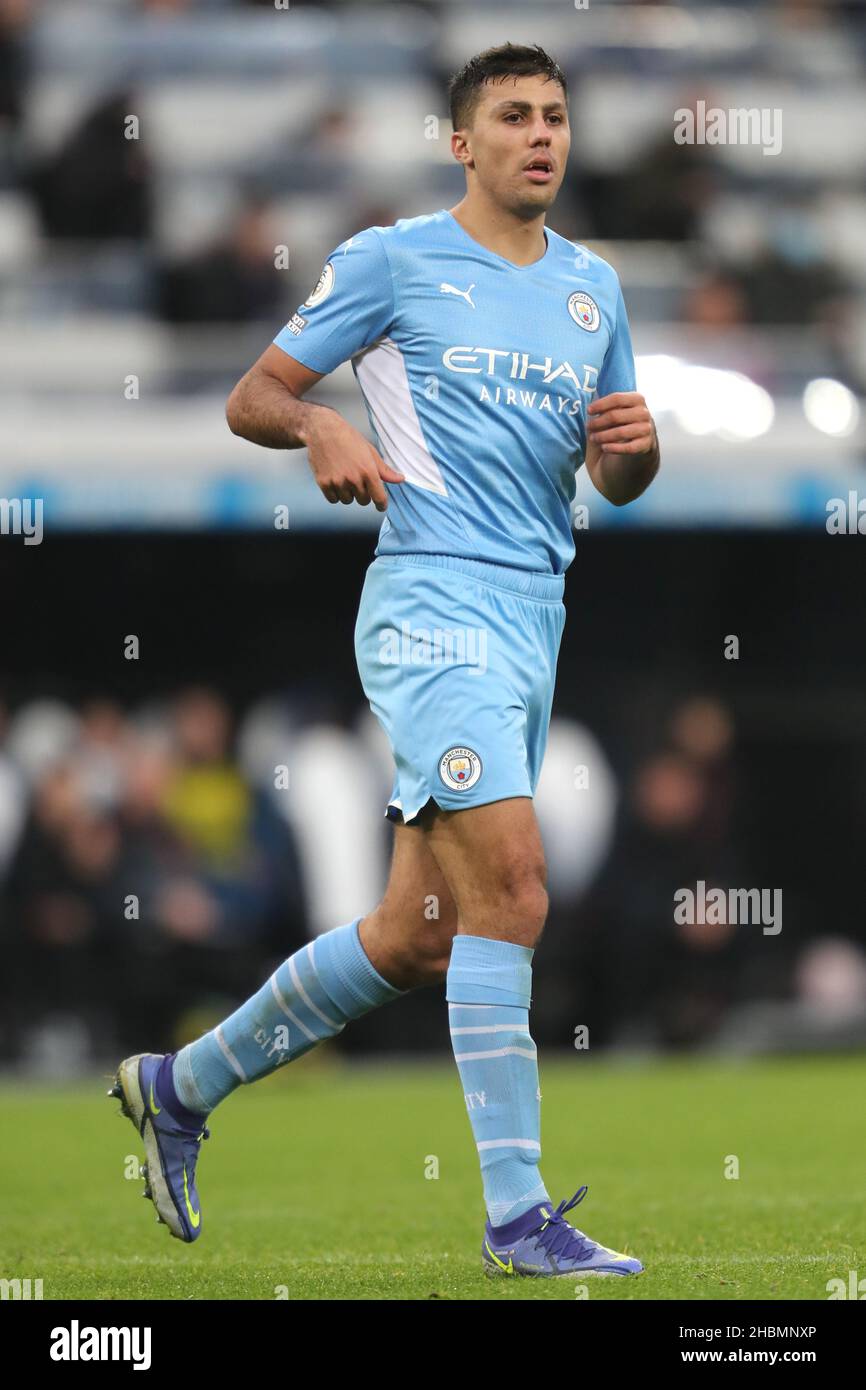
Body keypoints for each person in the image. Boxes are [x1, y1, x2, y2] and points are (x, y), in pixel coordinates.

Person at [110, 42, 659, 1279]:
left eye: (556, 117)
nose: (541, 135)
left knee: (416, 932)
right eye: (513, 117)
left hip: (533, 616)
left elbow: (616, 475)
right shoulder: (394, 259)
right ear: (461, 144)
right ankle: (517, 1218)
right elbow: (254, 391)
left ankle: (179, 1084)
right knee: (512, 889)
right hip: (428, 605)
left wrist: (634, 450)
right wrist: (316, 422)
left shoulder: (593, 289)